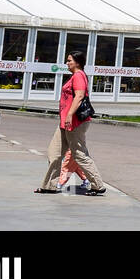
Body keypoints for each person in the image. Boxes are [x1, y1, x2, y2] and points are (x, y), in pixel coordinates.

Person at [35, 51, 106, 196]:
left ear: (77, 62)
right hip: (65, 123)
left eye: (69, 61)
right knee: (54, 153)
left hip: (74, 122)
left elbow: (79, 95)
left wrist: (69, 114)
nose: (67, 63)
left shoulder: (79, 75)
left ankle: (97, 185)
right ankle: (50, 185)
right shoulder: (74, 76)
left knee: (79, 154)